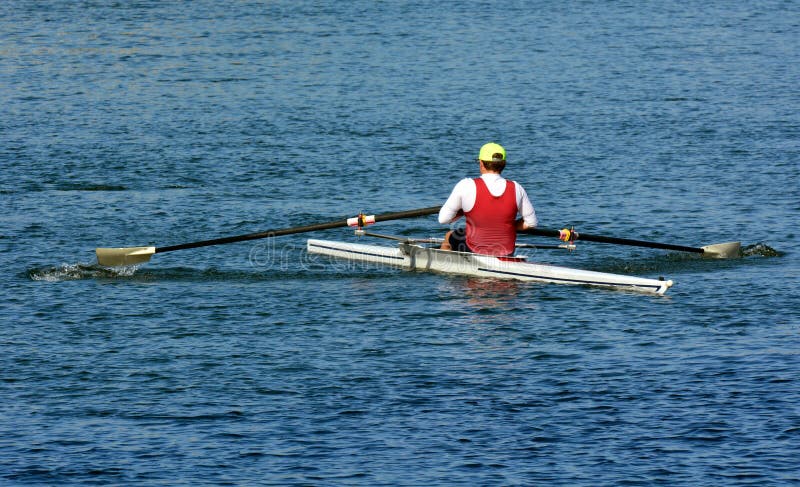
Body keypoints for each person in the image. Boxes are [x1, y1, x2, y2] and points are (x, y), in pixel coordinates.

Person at [438, 142, 537, 256]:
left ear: (481, 163)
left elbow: (443, 219)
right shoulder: (517, 188)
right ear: (503, 164)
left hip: (474, 250)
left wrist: (462, 211)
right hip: (506, 252)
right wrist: (506, 225)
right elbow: (531, 223)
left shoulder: (466, 185)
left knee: (449, 236)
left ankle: (447, 266)